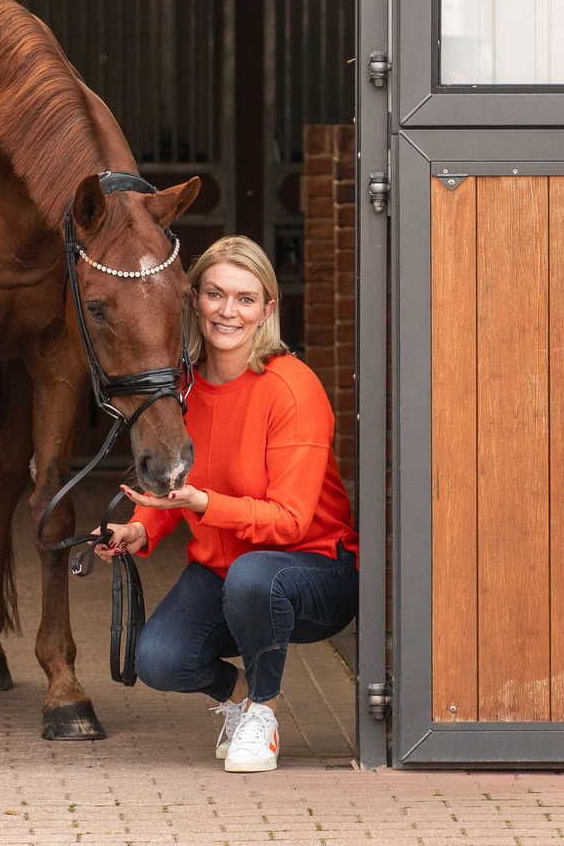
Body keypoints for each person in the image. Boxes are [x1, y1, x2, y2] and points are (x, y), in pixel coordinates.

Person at [94, 235, 359, 773]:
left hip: (314, 569)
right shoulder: (182, 388)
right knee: (160, 660)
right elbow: (176, 485)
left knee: (253, 576)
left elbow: (291, 522)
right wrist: (140, 528)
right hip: (226, 570)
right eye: (215, 294)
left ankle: (264, 711)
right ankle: (242, 695)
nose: (227, 311)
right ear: (194, 301)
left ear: (267, 310)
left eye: (245, 298)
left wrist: (205, 504)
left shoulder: (292, 388)